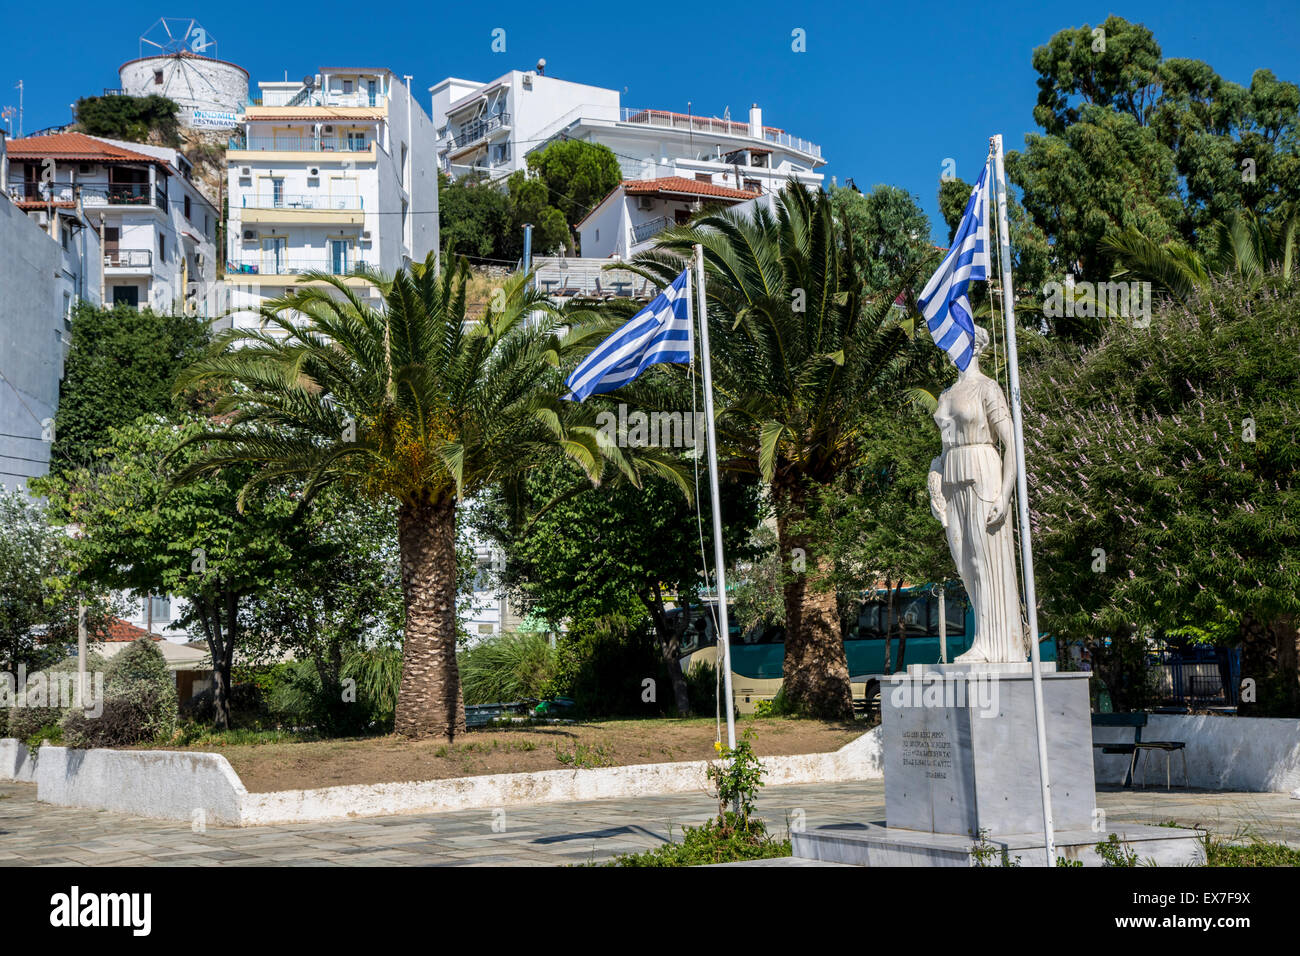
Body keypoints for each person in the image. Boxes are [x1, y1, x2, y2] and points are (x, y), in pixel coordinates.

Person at [927, 325, 1027, 664]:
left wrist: (1005, 491)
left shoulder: (988, 388)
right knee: (963, 560)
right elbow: (941, 449)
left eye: (960, 339)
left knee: (984, 561)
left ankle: (990, 643)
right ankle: (984, 636)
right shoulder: (945, 394)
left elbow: (1012, 443)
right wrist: (934, 484)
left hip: (983, 471)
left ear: (977, 345)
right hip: (952, 475)